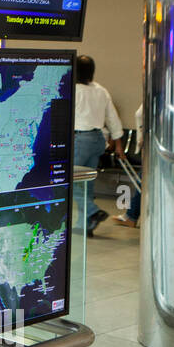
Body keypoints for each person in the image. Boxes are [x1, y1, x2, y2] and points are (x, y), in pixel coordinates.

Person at [72, 55, 124, 236]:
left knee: (68, 182)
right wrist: (118, 145)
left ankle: (93, 211)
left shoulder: (73, 90)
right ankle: (85, 225)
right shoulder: (101, 90)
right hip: (98, 140)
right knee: (87, 183)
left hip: (80, 139)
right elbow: (113, 118)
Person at [114, 103, 144, 228]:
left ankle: (131, 216)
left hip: (152, 146)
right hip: (147, 145)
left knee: (142, 181)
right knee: (141, 181)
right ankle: (131, 216)